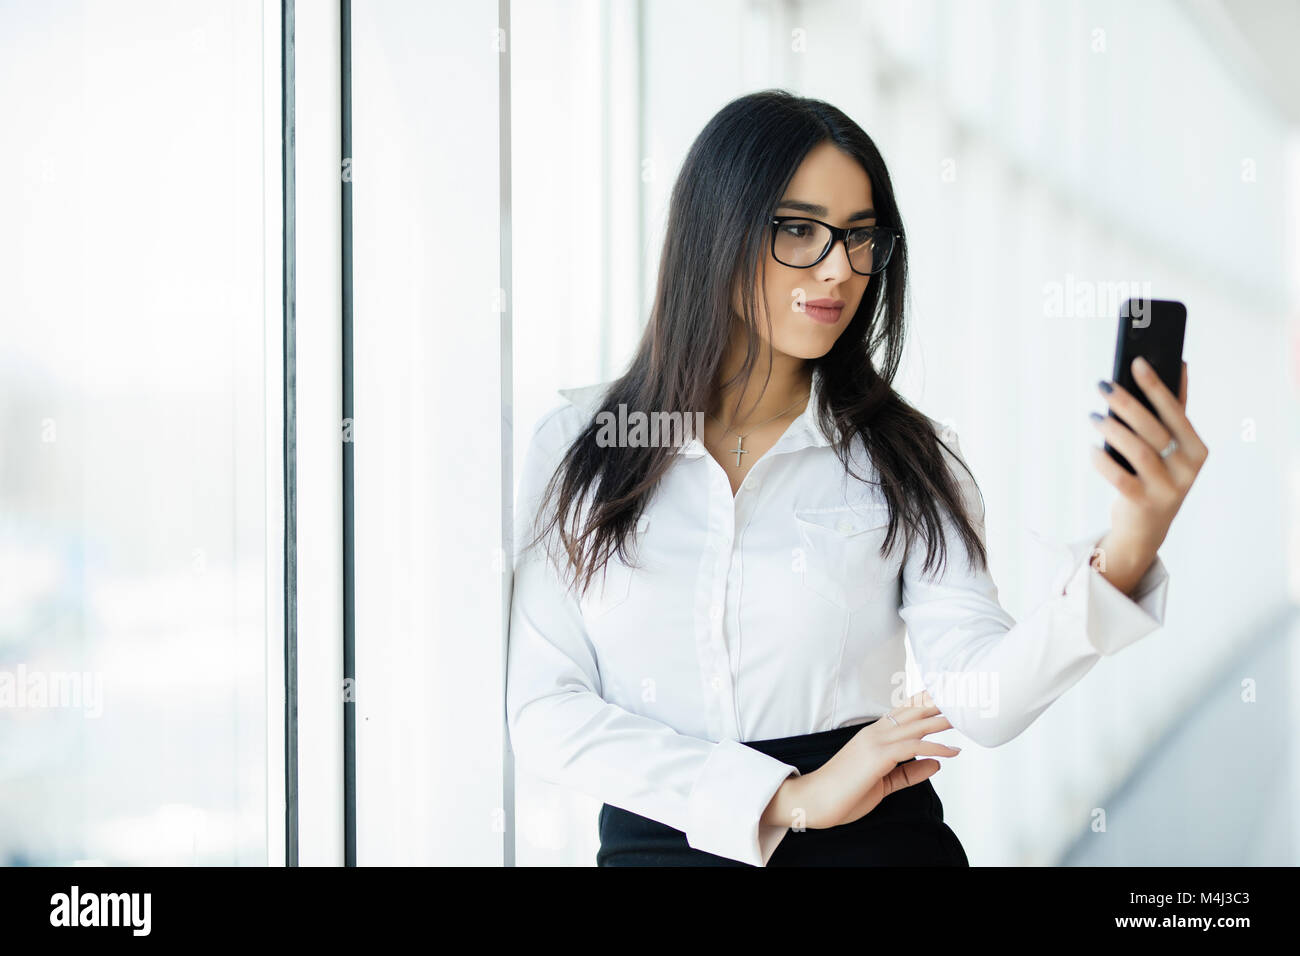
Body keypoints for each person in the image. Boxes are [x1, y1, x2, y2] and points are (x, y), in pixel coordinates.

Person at [506, 90, 1207, 867]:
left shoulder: (903, 459)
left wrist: (1134, 540)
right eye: (800, 230)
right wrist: (786, 800)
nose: (840, 268)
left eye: (861, 237)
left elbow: (982, 699)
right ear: (717, 230)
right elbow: (545, 709)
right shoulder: (580, 447)